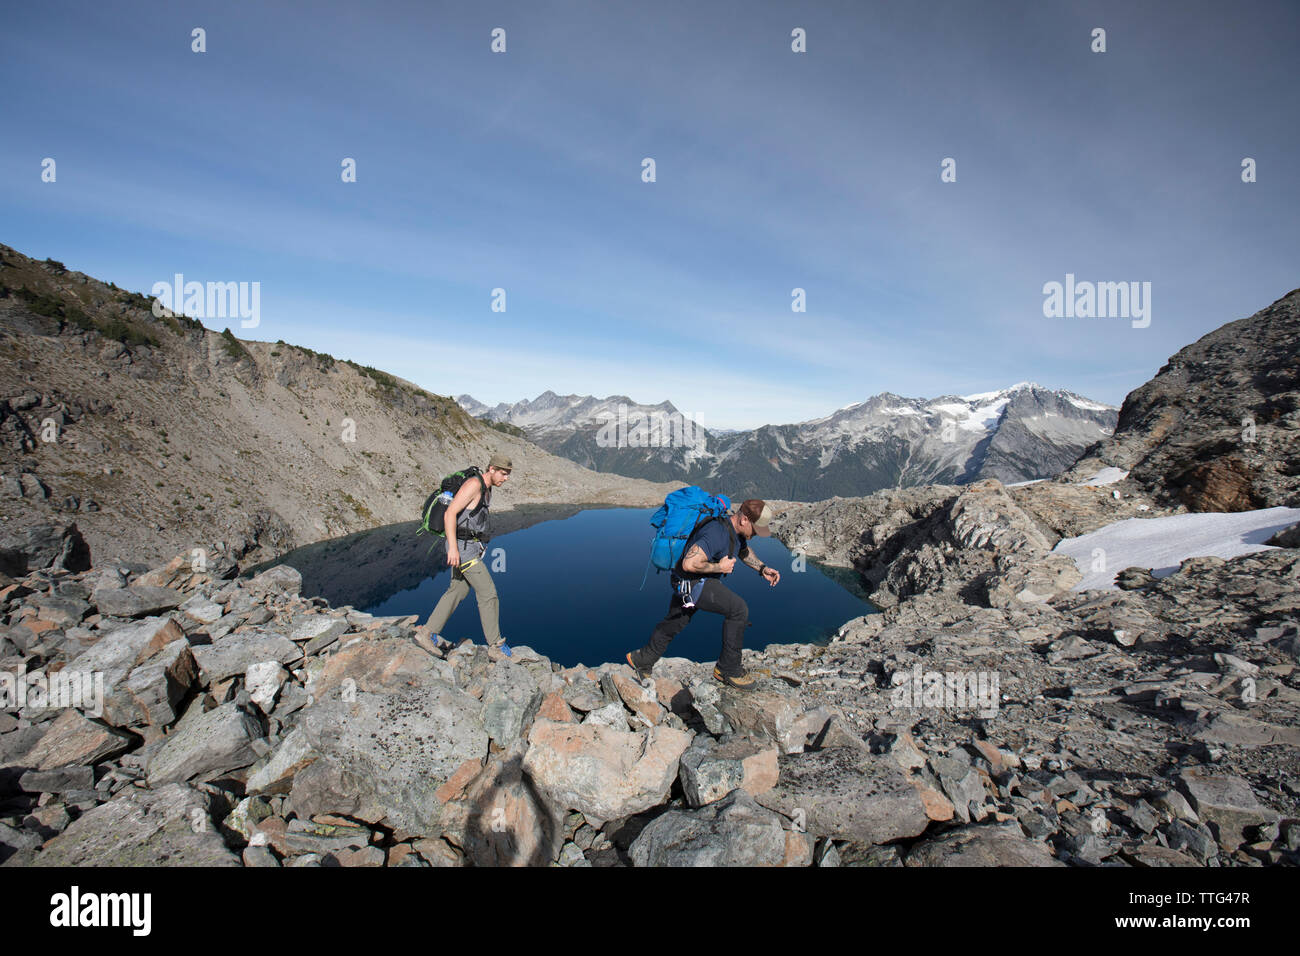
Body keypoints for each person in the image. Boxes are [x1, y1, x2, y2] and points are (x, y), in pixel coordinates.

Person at [627, 498, 780, 689]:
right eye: (756, 530)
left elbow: (743, 551)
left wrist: (762, 568)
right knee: (738, 610)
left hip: (685, 582)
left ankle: (642, 659)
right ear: (744, 520)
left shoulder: (735, 532)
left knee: (676, 621)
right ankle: (728, 669)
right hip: (692, 583)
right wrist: (719, 566)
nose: (756, 535)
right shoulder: (716, 532)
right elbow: (689, 563)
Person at [414, 454, 513, 657]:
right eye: (503, 473)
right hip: (462, 550)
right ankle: (495, 646)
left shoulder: (487, 488)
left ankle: (427, 633)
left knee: (457, 590)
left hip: (468, 547)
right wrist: (452, 548)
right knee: (488, 592)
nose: (506, 478)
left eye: (508, 474)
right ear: (492, 469)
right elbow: (450, 513)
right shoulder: (474, 485)